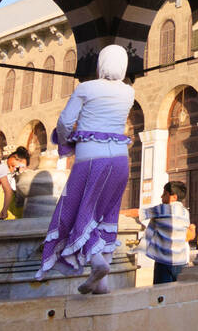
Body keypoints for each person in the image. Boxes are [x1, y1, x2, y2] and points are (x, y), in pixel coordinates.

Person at [35, 44, 135, 294]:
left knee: (75, 209)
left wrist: (66, 141)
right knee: (108, 213)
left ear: (101, 63)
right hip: (120, 160)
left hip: (90, 157)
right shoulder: (128, 92)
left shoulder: (86, 88)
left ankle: (97, 261)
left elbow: (65, 121)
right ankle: (101, 284)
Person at [139, 181, 191, 285]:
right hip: (181, 263)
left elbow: (138, 213)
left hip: (164, 262)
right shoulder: (185, 212)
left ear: (174, 197)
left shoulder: (162, 209)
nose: (161, 197)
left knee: (161, 296)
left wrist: (114, 214)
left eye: (164, 194)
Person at [0, 147, 30, 220]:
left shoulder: (26, 181)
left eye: (14, 167)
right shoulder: (3, 179)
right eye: (8, 166)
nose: (10, 170)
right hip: (0, 216)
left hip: (17, 219)